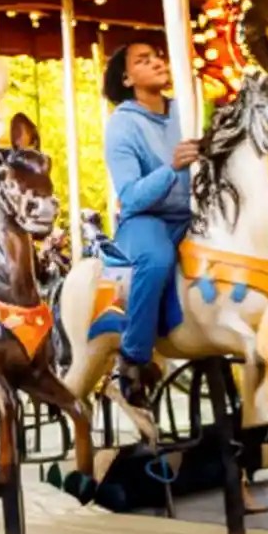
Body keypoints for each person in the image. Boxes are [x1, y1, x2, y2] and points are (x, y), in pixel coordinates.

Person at [101, 41, 200, 407]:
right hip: (145, 219)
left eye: (158, 55)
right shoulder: (123, 125)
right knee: (157, 259)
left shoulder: (186, 111)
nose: (158, 61)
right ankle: (133, 358)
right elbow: (131, 196)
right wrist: (171, 168)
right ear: (128, 78)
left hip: (192, 213)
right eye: (144, 60)